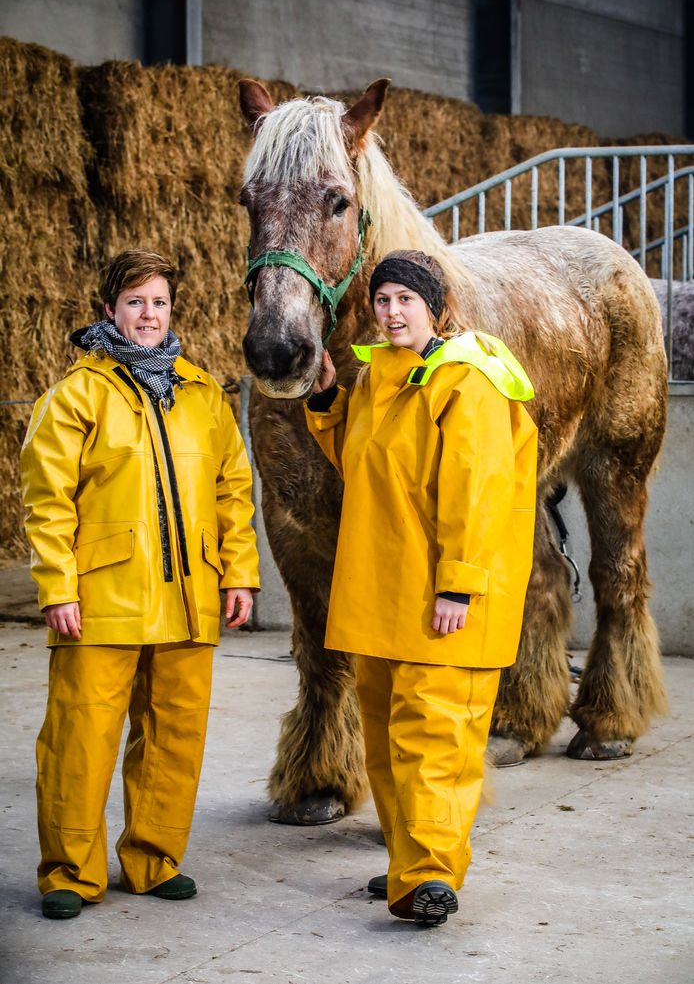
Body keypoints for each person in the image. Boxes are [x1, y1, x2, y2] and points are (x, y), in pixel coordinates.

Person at [21, 250, 259, 920]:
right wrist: (57, 586)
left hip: (190, 597)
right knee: (80, 735)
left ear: (170, 310)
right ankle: (70, 870)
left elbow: (231, 490)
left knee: (174, 734)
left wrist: (239, 572)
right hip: (103, 596)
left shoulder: (202, 392)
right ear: (109, 311)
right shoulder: (77, 394)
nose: (148, 314)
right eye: (134, 302)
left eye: (157, 302)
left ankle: (153, 858)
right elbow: (47, 500)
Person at [305, 249, 538, 927]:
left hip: (444, 599)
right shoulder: (380, 378)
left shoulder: (466, 382)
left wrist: (458, 587)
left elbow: (479, 492)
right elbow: (366, 465)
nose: (391, 311)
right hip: (383, 593)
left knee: (436, 737)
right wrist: (326, 403)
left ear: (435, 309)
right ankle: (409, 864)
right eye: (382, 300)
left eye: (406, 299)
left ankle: (432, 874)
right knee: (386, 739)